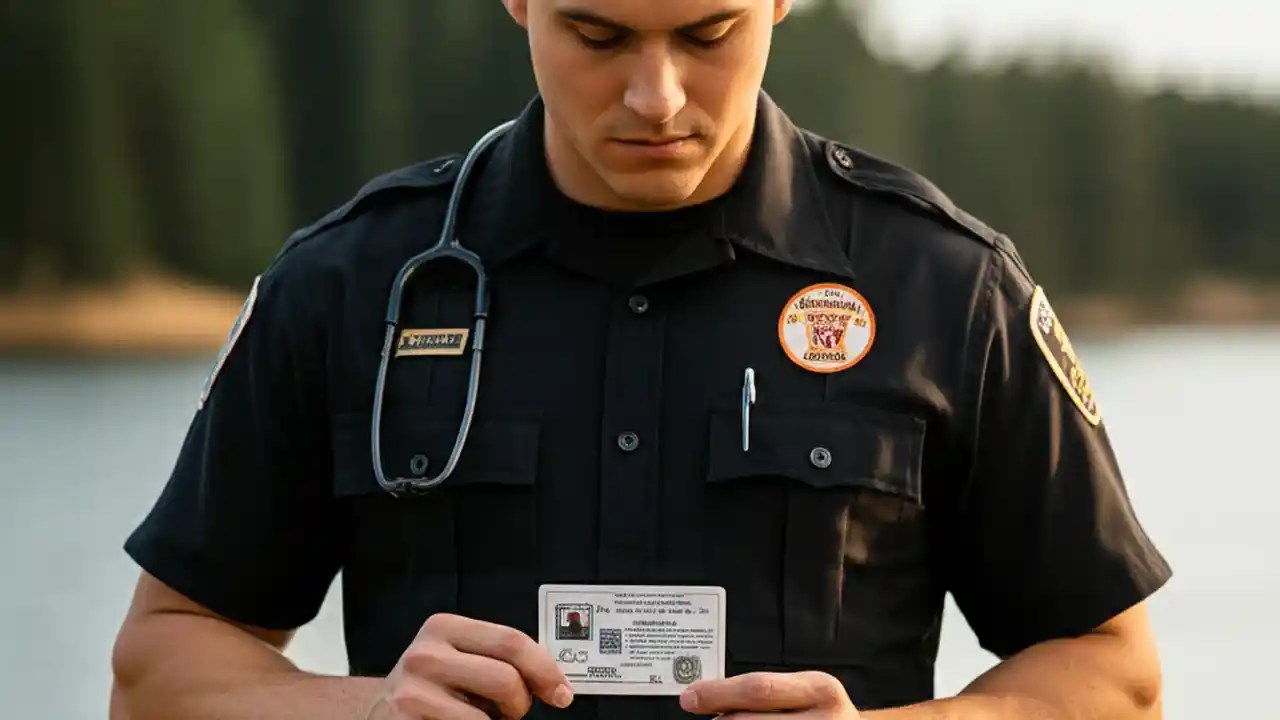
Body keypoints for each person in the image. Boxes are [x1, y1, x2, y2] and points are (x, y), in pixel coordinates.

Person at [110, 1, 1172, 718]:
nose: (655, 96)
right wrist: (368, 707)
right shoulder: (348, 284)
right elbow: (159, 669)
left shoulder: (946, 287)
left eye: (705, 33)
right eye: (599, 33)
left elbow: (1112, 677)